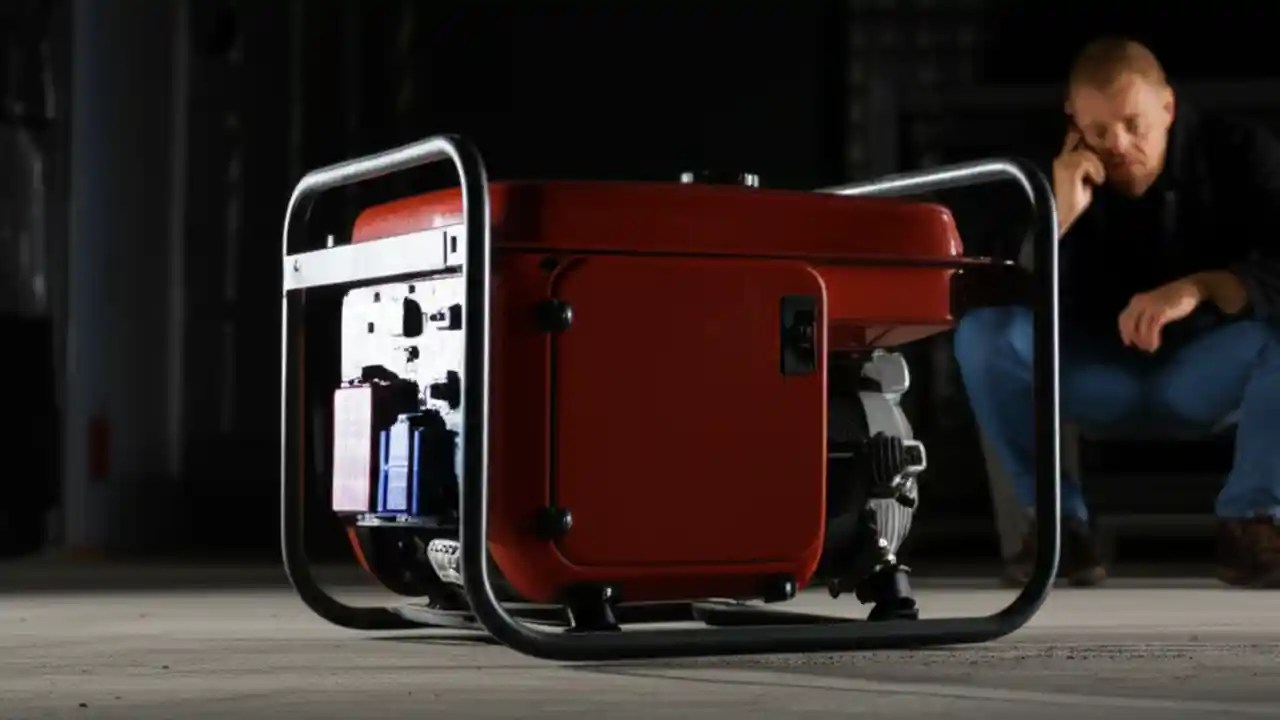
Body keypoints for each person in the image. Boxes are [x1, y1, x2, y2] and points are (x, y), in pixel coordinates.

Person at [954, 37, 1280, 588]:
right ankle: (1060, 529)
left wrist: (1200, 288)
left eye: (1135, 124)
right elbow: (983, 288)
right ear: (1073, 119)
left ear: (1169, 108)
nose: (1119, 145)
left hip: (1205, 371)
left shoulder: (1239, 150)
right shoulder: (1040, 169)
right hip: (1090, 374)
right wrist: (1053, 214)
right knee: (983, 335)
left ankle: (1253, 523)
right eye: (1100, 131)